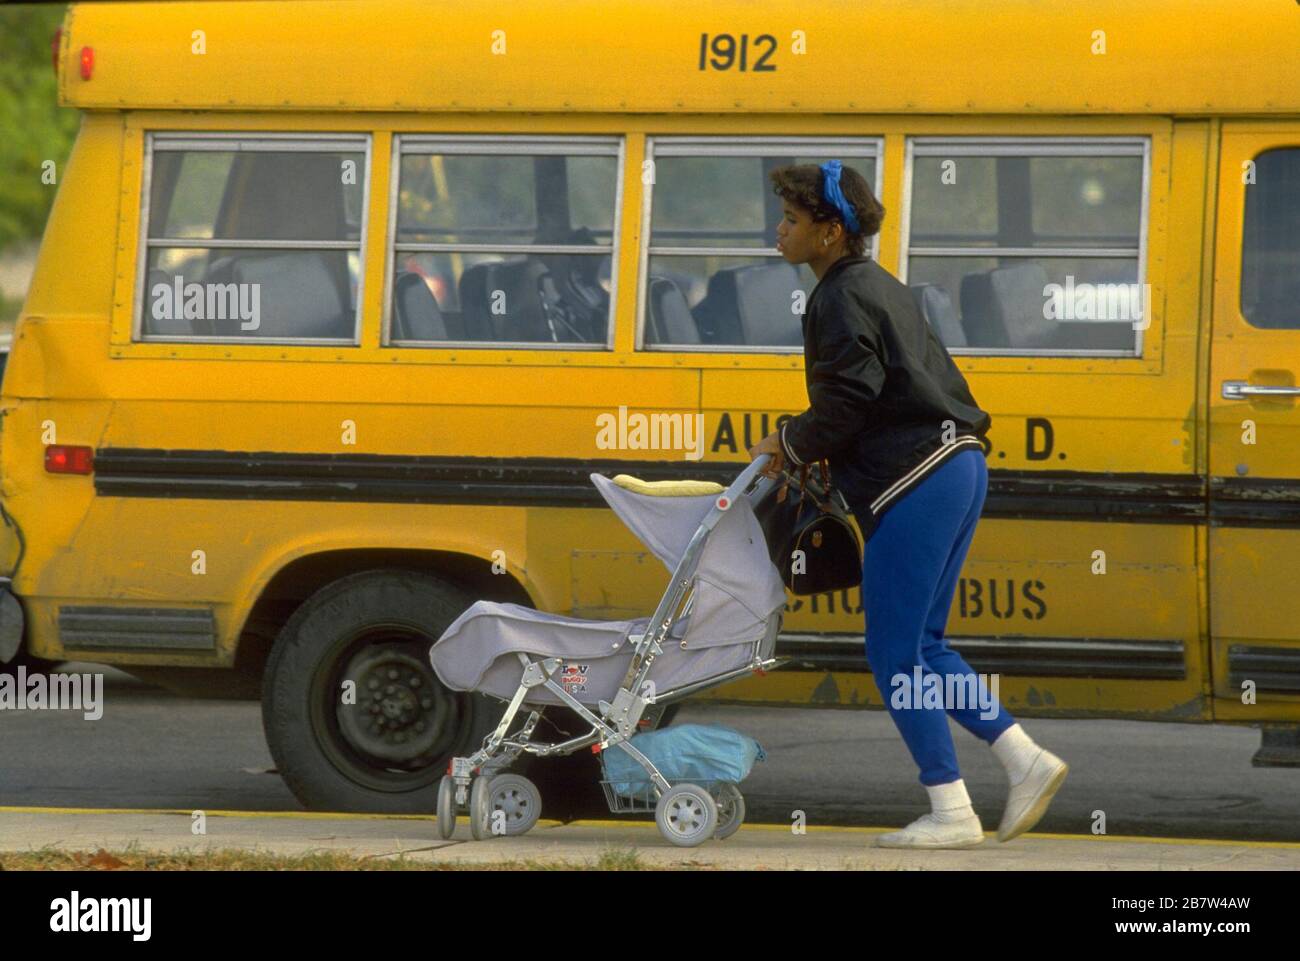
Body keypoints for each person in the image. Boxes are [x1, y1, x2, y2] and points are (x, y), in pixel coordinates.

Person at [747, 160, 1068, 849]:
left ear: (830, 232)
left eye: (793, 220)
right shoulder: (878, 284)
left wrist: (789, 440)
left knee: (894, 651)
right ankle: (1025, 760)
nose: (779, 231)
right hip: (959, 466)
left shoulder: (837, 297)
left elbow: (849, 400)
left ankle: (950, 809)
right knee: (926, 644)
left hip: (915, 479)